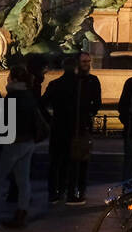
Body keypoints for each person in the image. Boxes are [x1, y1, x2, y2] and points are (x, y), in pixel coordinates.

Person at [0, 67, 45, 230]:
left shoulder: (12, 97)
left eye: (9, 76)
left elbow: (3, 122)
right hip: (28, 141)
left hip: (13, 142)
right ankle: (21, 213)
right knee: (23, 180)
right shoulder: (29, 95)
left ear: (13, 79)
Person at [41, 53, 101, 205]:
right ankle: (71, 194)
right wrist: (87, 115)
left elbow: (41, 104)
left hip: (58, 127)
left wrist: (50, 119)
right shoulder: (83, 83)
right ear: (76, 67)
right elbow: (95, 105)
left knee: (55, 162)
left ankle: (54, 193)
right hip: (77, 127)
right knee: (75, 161)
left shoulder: (55, 84)